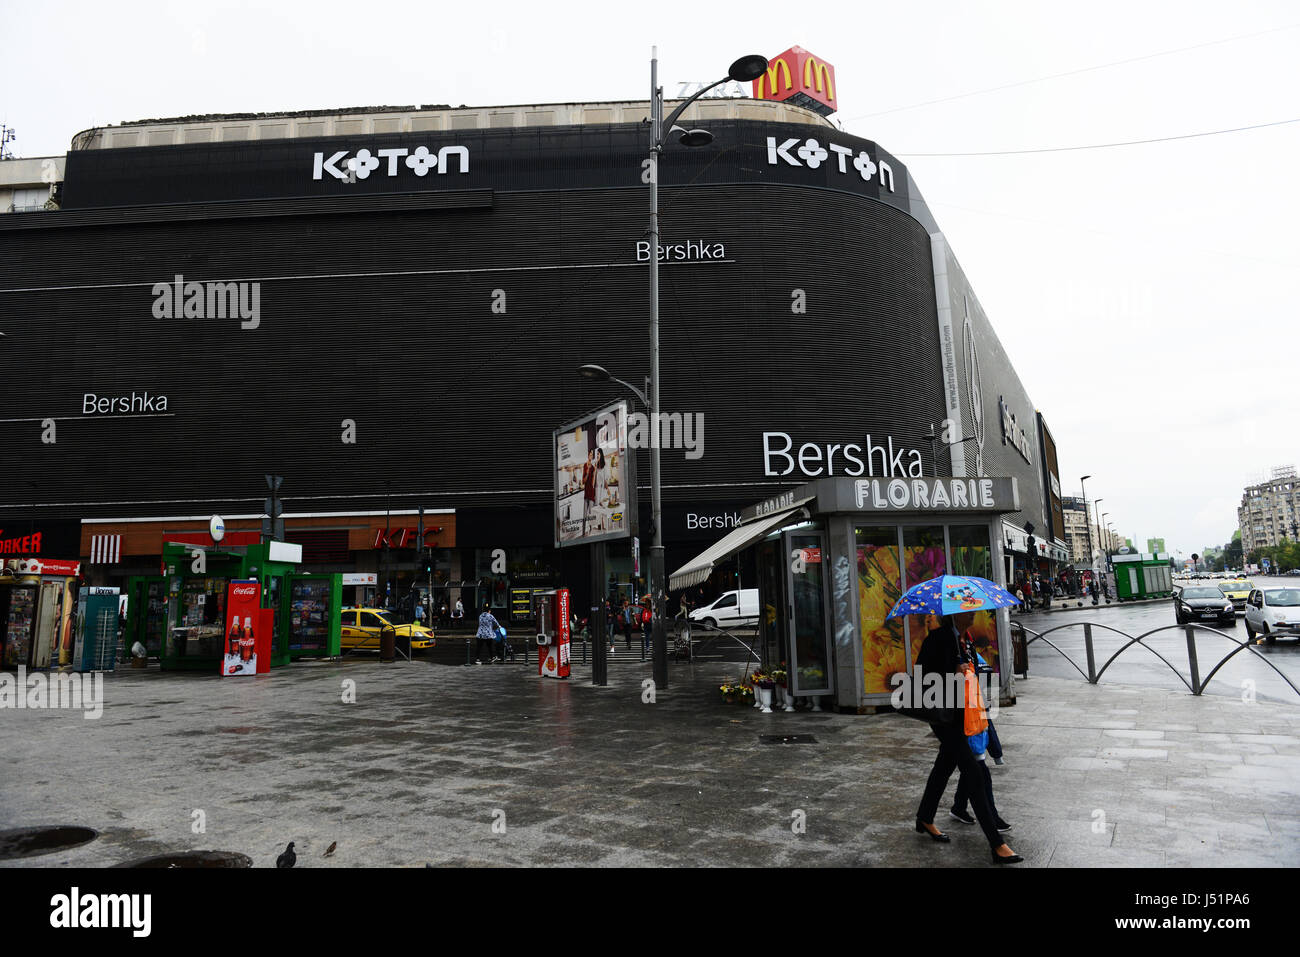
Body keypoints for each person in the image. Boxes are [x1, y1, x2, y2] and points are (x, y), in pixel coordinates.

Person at [913, 611, 1022, 864]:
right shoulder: (939, 638)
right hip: (945, 718)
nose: (972, 613)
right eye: (966, 611)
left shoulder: (965, 639)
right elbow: (922, 678)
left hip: (963, 715)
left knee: (943, 767)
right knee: (973, 773)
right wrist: (952, 671)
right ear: (953, 615)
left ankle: (925, 817)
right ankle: (997, 844)